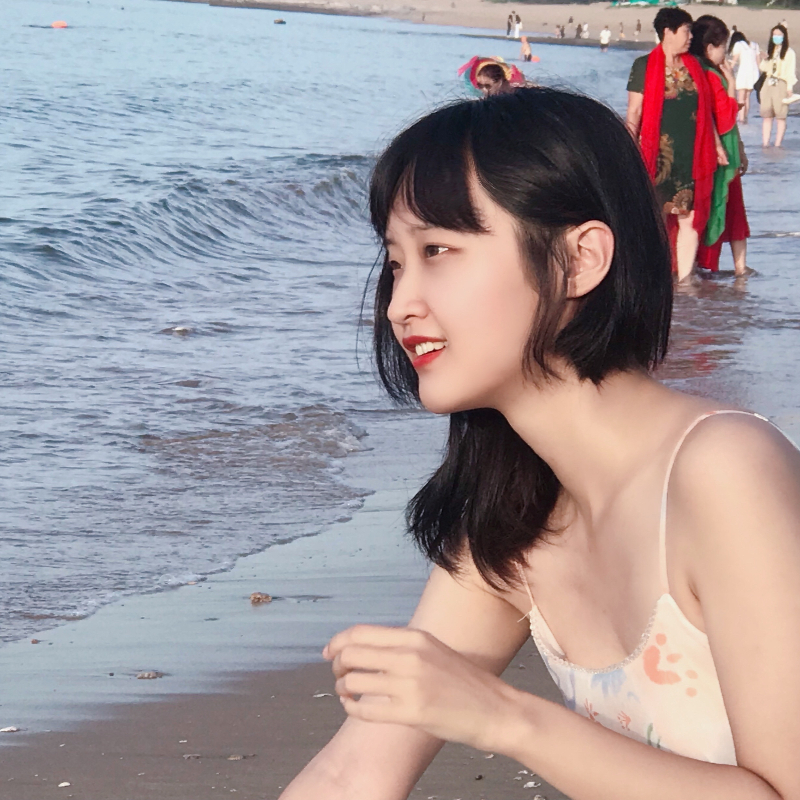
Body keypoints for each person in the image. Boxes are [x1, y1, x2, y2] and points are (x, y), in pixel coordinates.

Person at [278, 86, 800, 800]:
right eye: (396, 262)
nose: (400, 304)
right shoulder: (518, 519)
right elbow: (355, 770)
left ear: (580, 259)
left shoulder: (724, 472)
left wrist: (505, 718)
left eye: (438, 250)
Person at [626, 7, 717, 282]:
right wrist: (627, 147)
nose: (691, 37)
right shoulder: (643, 65)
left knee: (689, 219)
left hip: (692, 156)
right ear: (668, 32)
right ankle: (653, 279)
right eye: (686, 31)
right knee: (654, 219)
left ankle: (686, 282)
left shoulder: (696, 66)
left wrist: (717, 145)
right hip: (656, 157)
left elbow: (707, 111)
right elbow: (634, 111)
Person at [690, 15, 751, 276]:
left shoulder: (703, 72)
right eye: (723, 48)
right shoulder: (711, 75)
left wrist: (741, 148)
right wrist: (733, 85)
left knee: (722, 207)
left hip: (724, 150)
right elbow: (725, 118)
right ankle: (738, 268)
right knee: (726, 208)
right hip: (722, 153)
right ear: (710, 47)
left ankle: (731, 267)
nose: (725, 54)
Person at [759, 24, 797, 147]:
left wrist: (789, 88)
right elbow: (764, 68)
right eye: (774, 35)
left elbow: (790, 71)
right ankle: (765, 143)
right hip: (768, 82)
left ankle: (777, 143)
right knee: (766, 114)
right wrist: (764, 59)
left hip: (781, 83)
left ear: (784, 36)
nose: (776, 37)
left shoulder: (789, 52)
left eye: (779, 35)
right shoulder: (771, 51)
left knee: (780, 115)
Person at [728, 30, 760, 123]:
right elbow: (758, 61)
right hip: (754, 73)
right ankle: (745, 117)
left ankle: (741, 119)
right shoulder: (755, 45)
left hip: (743, 73)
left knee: (741, 97)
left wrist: (729, 70)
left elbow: (734, 60)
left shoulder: (738, 45)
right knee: (747, 97)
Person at [458, 56, 528, 97]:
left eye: (488, 86)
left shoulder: (516, 91)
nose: (483, 90)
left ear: (500, 82)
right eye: (480, 85)